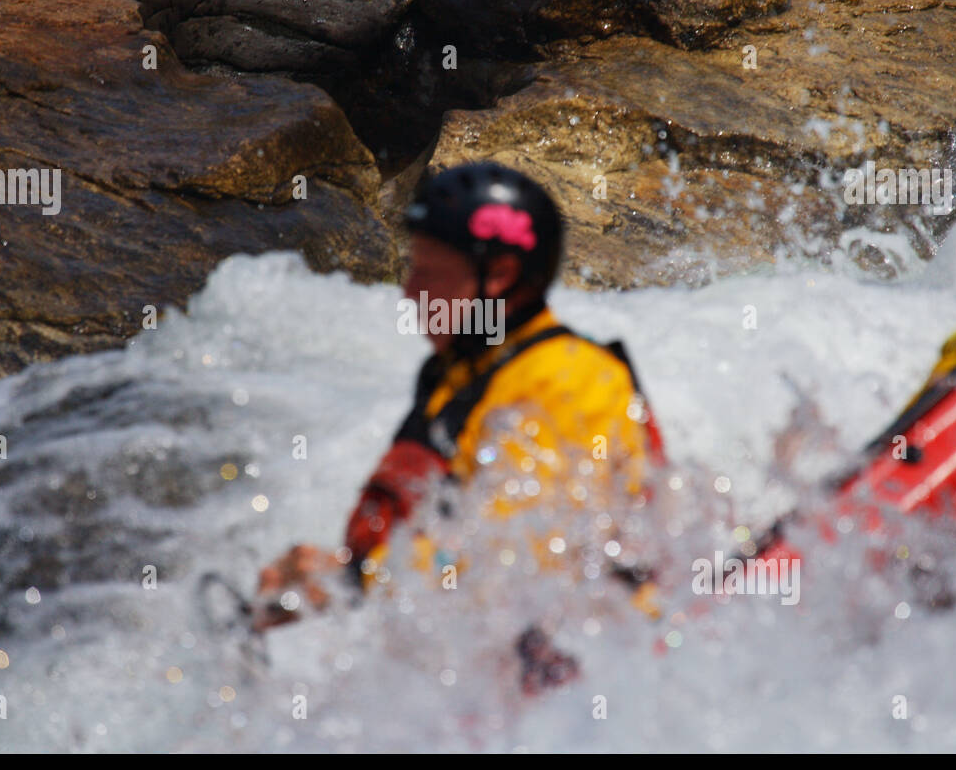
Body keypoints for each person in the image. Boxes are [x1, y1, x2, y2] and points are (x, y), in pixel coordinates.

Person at [252, 161, 668, 688]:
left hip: (587, 680)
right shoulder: (459, 373)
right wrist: (333, 580)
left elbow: (515, 573)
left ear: (498, 276)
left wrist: (347, 580)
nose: (408, 295)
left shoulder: (569, 379)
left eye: (428, 275)